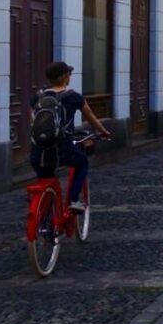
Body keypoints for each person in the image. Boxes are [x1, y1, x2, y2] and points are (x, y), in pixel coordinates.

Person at [29, 62, 110, 212]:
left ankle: (45, 213)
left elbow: (33, 122)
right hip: (62, 151)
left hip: (38, 152)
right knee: (82, 163)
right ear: (65, 77)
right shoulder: (74, 97)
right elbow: (91, 117)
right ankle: (73, 199)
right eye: (69, 74)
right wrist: (104, 131)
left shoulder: (37, 97)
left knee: (46, 176)